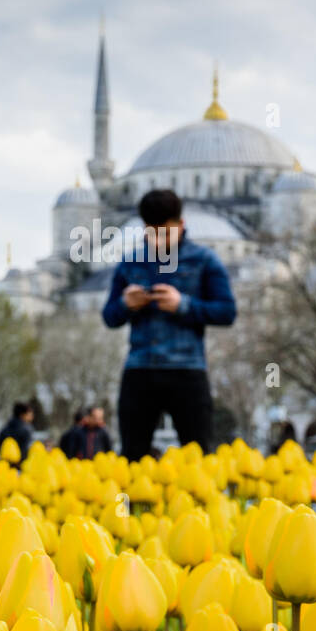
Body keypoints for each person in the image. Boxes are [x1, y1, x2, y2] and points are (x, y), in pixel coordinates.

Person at [102, 189, 236, 461]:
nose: (158, 240)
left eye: (165, 233)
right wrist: (126, 305)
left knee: (198, 456)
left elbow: (227, 311)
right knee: (132, 457)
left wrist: (183, 305)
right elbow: (109, 316)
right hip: (140, 368)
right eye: (152, 234)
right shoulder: (131, 262)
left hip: (186, 369)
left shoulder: (204, 260)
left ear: (181, 225)